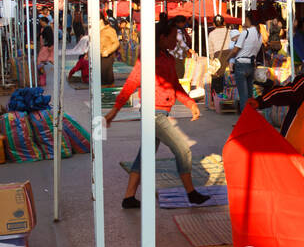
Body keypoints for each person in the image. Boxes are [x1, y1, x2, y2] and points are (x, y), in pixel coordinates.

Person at [105, 18, 210, 209]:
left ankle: (128, 198)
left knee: (144, 155)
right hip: (153, 113)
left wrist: (190, 104)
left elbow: (175, 85)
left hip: (159, 111)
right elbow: (131, 83)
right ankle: (191, 193)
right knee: (182, 149)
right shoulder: (148, 58)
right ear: (162, 37)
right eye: (173, 38)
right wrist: (115, 109)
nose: (176, 42)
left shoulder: (168, 58)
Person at [228, 11, 263, 112]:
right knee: (249, 94)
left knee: (243, 95)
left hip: (241, 64)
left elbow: (235, 50)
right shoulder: (259, 35)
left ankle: (245, 118)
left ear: (249, 20)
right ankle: (251, 116)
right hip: (251, 64)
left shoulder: (245, 33)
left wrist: (227, 58)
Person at [99, 15, 120, 87]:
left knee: (106, 76)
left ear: (101, 20)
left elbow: (116, 43)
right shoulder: (95, 31)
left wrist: (108, 51)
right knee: (100, 76)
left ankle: (108, 93)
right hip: (98, 56)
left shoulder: (109, 30)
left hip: (107, 56)